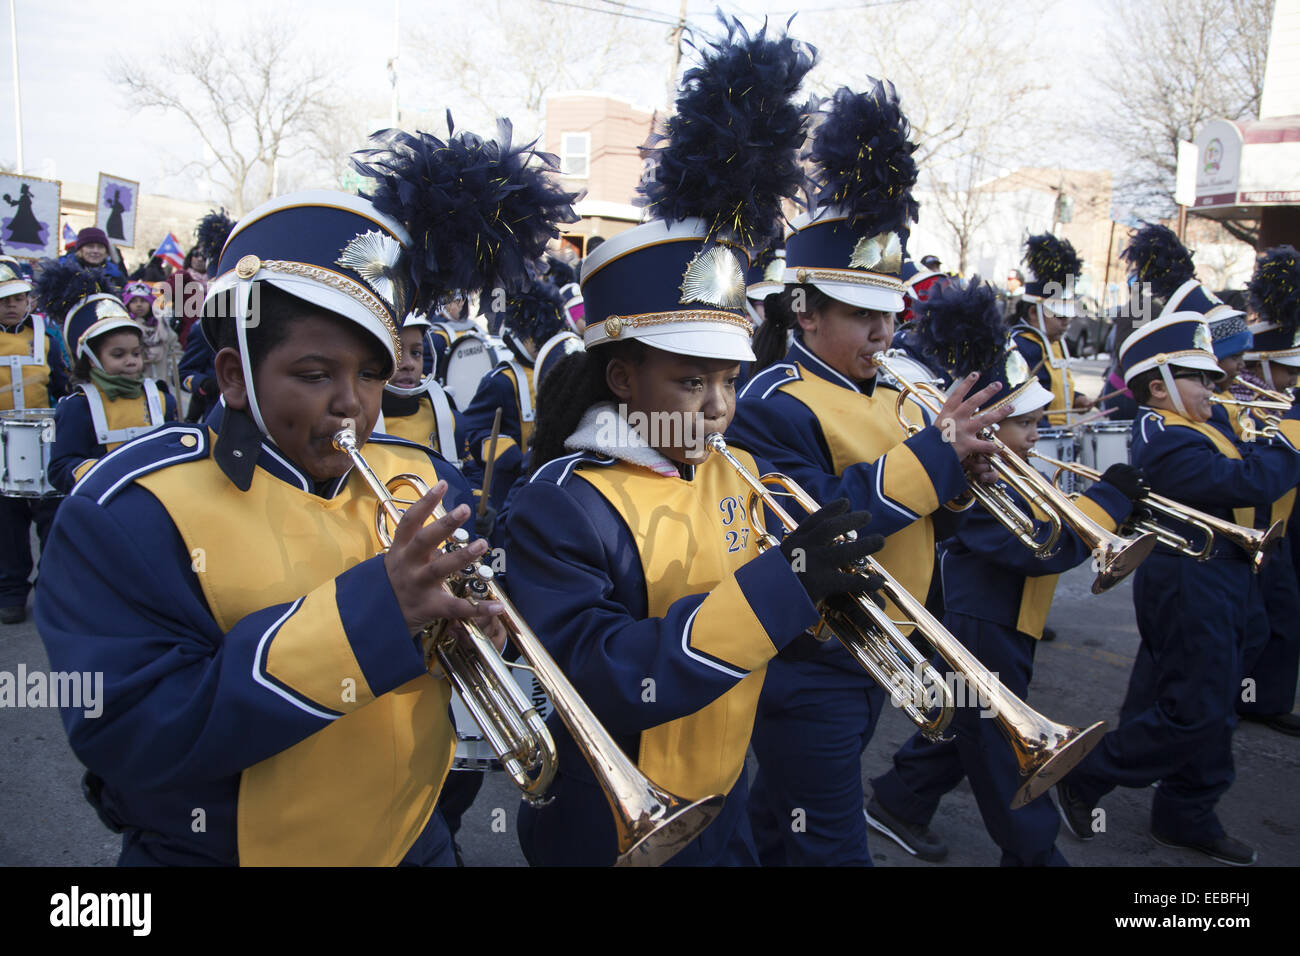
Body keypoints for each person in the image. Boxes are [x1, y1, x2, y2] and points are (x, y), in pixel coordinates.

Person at [36, 115, 575, 865]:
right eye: (315, 374)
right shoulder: (129, 510)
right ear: (233, 377)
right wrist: (371, 615)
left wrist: (476, 630)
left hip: (415, 844)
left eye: (373, 374)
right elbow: (130, 729)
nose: (352, 403)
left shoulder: (423, 480)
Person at [502, 16, 863, 867]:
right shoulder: (565, 499)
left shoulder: (737, 474)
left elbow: (763, 627)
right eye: (689, 381)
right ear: (623, 380)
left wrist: (823, 604)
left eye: (729, 382)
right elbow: (604, 674)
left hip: (725, 788)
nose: (716, 407)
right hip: (609, 817)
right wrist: (785, 589)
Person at [729, 80, 1010, 866]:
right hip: (813, 655)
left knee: (788, 818)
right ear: (804, 314)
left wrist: (966, 480)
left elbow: (927, 514)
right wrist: (932, 462)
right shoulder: (769, 401)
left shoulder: (899, 391)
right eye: (860, 312)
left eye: (888, 311)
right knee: (829, 843)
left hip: (887, 646)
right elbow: (819, 528)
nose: (883, 330)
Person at [863, 279, 1147, 866]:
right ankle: (1033, 853)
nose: (1036, 436)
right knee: (1002, 744)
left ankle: (900, 799)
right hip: (980, 619)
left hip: (1010, 617)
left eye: (1038, 421)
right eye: (1023, 424)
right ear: (988, 429)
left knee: (976, 718)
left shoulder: (1011, 468)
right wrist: (1108, 506)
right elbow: (1042, 548)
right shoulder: (977, 479)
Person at [1057, 311, 1300, 866]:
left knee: (1208, 699)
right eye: (1199, 378)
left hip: (1231, 575)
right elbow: (1249, 480)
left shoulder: (1207, 424)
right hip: (1195, 580)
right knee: (1199, 707)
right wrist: (1293, 433)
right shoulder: (1162, 434)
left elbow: (1255, 474)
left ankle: (1186, 813)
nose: (1213, 386)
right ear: (1158, 388)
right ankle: (1088, 775)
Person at [47, 289, 177, 493]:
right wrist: (104, 474)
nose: (131, 361)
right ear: (91, 358)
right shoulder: (74, 408)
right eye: (118, 355)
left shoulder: (162, 400)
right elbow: (58, 469)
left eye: (136, 353)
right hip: (99, 510)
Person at [461, 279, 568, 521]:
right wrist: (505, 452)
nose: (540, 343)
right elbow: (473, 429)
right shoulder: (501, 381)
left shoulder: (561, 370)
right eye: (534, 336)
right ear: (516, 334)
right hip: (511, 483)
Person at [0, 256, 67, 625]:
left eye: (18, 298)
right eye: (4, 299)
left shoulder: (46, 333)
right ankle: (10, 591)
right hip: (0, 446)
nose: (12, 305)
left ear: (28, 299)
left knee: (51, 518)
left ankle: (49, 589)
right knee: (7, 525)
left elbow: (62, 384)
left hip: (45, 439)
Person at [1011, 234, 1092, 425]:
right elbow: (1019, 400)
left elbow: (1050, 388)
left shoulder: (1054, 343)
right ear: (1033, 312)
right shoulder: (1020, 346)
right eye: (1059, 316)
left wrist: (1075, 397)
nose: (1066, 323)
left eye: (1068, 317)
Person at [122, 280, 179, 385]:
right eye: (134, 301)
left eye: (143, 301)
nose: (139, 305)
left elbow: (174, 348)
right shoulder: (126, 329)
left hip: (162, 380)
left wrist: (174, 369)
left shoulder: (162, 325)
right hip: (138, 383)